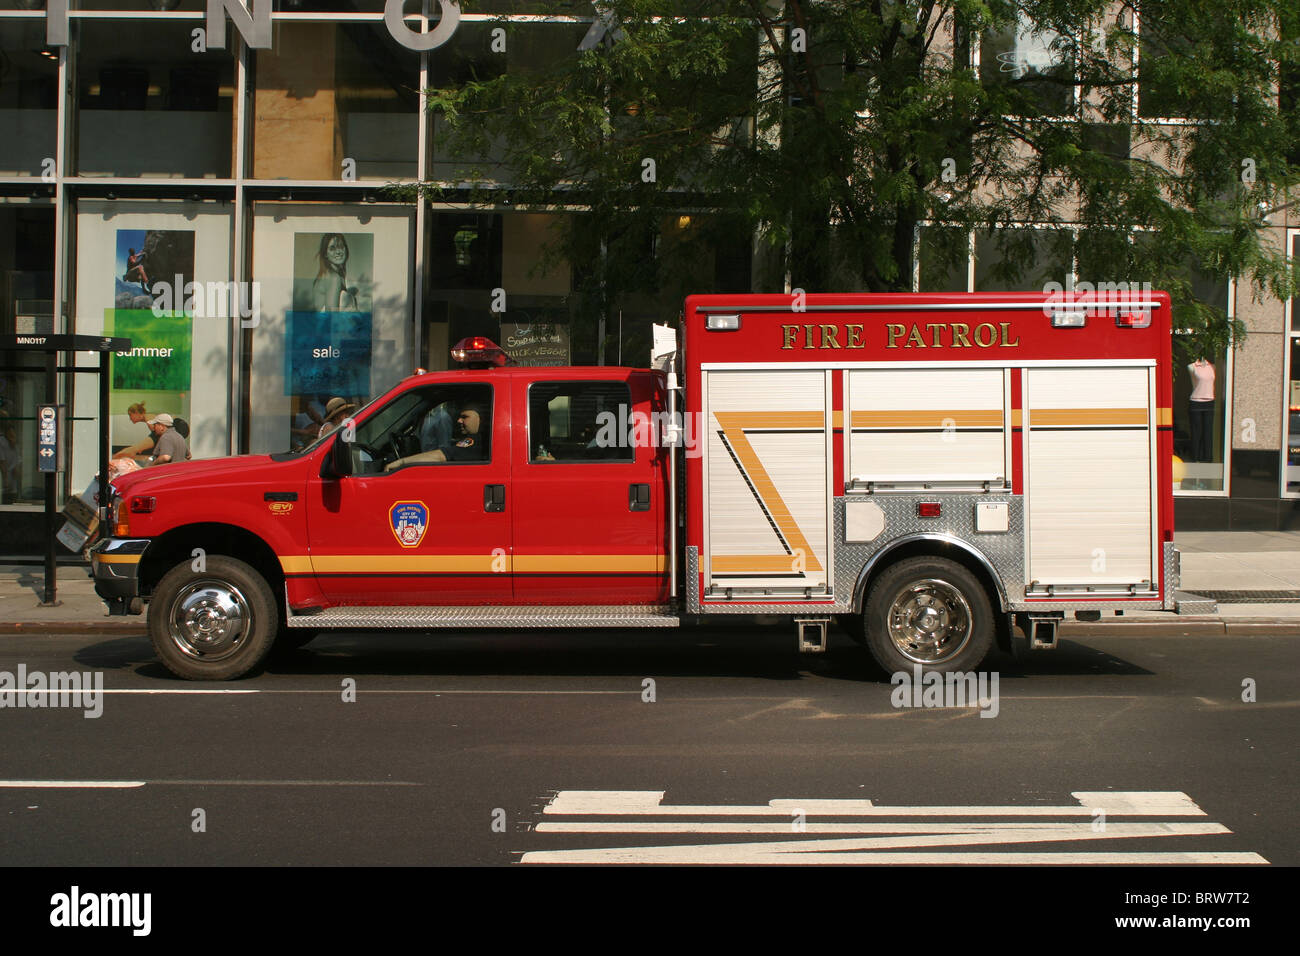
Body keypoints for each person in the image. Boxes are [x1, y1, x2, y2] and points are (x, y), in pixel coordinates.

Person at [385, 401, 488, 470]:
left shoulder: (476, 442)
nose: (459, 420)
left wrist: (401, 463)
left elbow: (442, 454)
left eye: (465, 417)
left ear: (481, 419)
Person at [312, 234, 358, 312]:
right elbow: (331, 317)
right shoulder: (333, 278)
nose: (338, 252)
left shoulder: (334, 275)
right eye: (332, 248)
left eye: (340, 247)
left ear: (345, 249)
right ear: (325, 254)